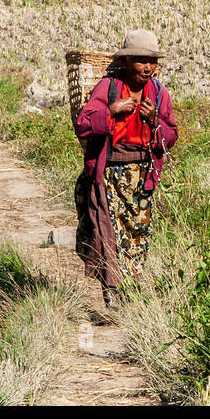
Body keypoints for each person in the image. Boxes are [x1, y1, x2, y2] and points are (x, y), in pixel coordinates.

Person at [73, 29, 178, 309]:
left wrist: (155, 120)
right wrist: (112, 110)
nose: (148, 67)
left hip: (142, 175)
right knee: (108, 231)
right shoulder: (107, 88)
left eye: (152, 61)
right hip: (109, 173)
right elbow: (83, 124)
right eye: (141, 61)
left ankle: (129, 289)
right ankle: (111, 292)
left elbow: (171, 135)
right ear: (127, 60)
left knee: (136, 233)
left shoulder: (157, 93)